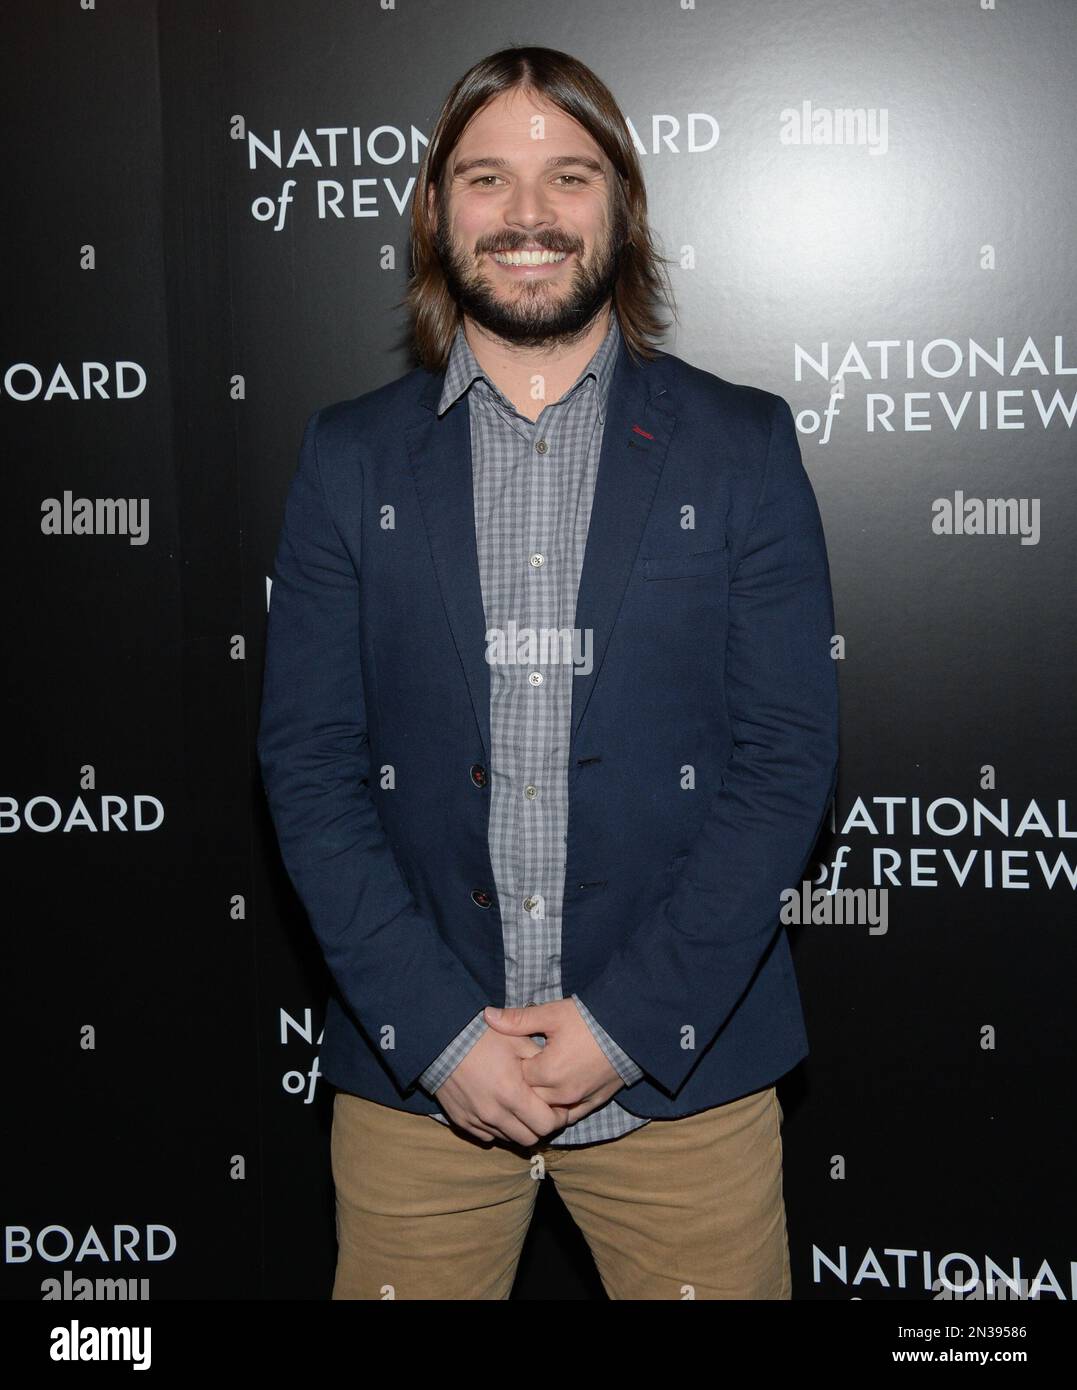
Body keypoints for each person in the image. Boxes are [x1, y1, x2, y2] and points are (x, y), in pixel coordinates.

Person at [257, 45, 839, 1300]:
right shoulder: (348, 461)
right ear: (434, 212)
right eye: (486, 179)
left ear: (621, 208)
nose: (527, 215)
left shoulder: (741, 448)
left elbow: (784, 762)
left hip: (684, 1082)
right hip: (420, 1089)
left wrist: (624, 1025)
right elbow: (308, 769)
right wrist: (442, 1036)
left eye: (567, 176)